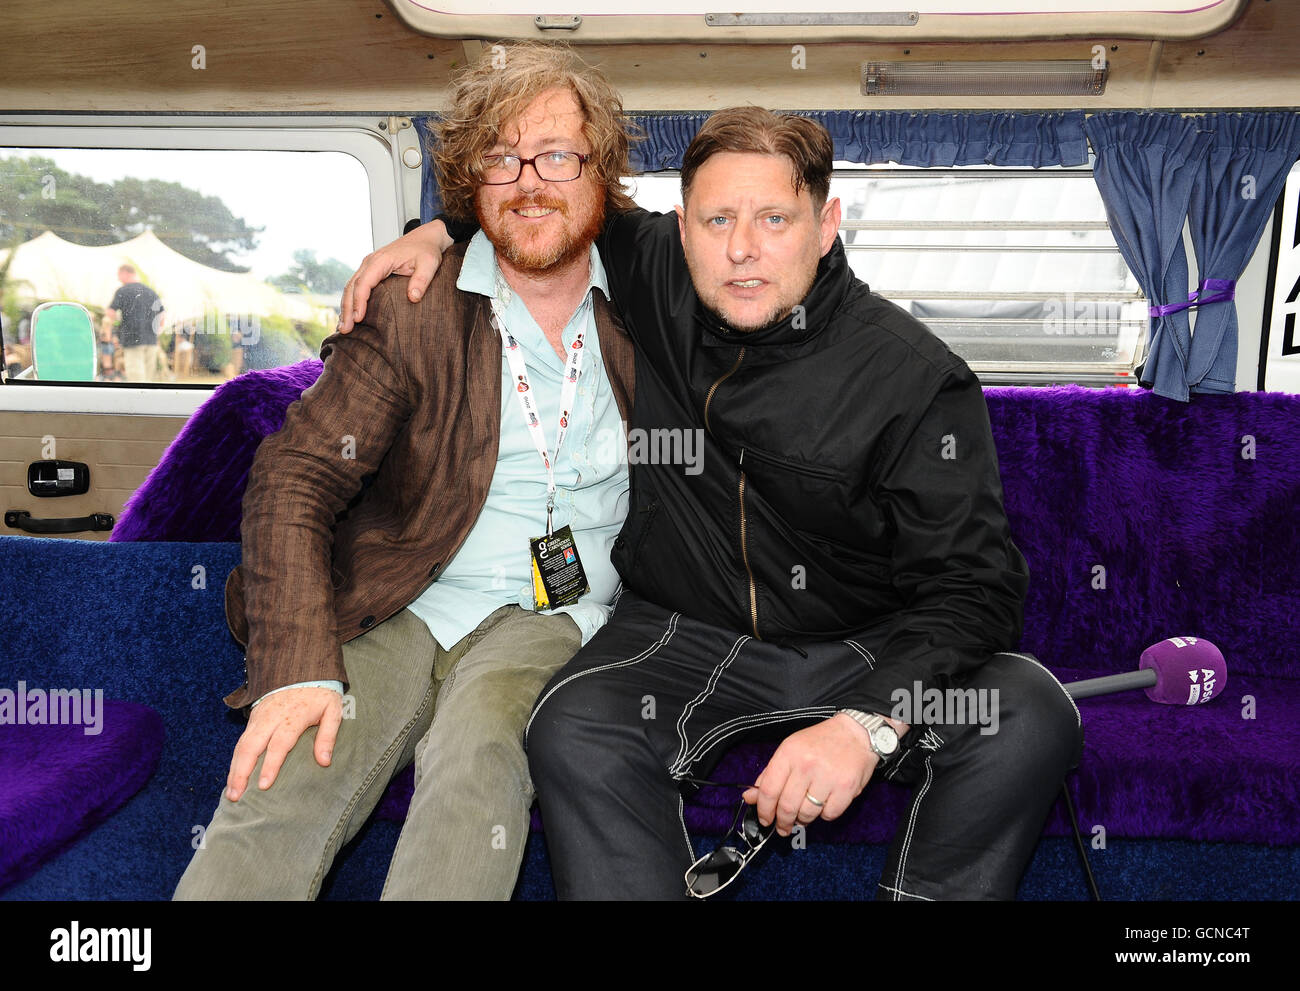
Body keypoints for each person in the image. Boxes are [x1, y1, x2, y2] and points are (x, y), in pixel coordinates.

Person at [342, 105, 1083, 901]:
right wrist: (439, 232)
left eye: (774, 219)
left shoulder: (916, 378)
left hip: (865, 641)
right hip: (682, 628)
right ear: (681, 226)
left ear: (826, 224)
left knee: (1030, 712)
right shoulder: (654, 265)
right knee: (571, 726)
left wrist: (866, 722)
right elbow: (544, 202)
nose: (741, 249)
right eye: (718, 218)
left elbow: (976, 586)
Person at [175, 42, 637, 900]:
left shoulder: (653, 299)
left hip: (555, 611)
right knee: (289, 768)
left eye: (560, 156)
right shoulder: (412, 306)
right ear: (470, 182)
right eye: (501, 157)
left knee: (478, 760)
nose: (529, 179)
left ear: (602, 172)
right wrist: (297, 665)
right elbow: (296, 476)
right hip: (399, 591)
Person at [104, 264, 165, 382]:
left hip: (132, 339)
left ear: (125, 273)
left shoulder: (122, 290)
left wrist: (116, 324)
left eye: (119, 275)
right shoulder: (151, 292)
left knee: (136, 377)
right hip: (151, 339)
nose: (119, 279)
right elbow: (162, 315)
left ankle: (139, 400)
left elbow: (110, 312)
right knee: (148, 377)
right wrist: (157, 332)